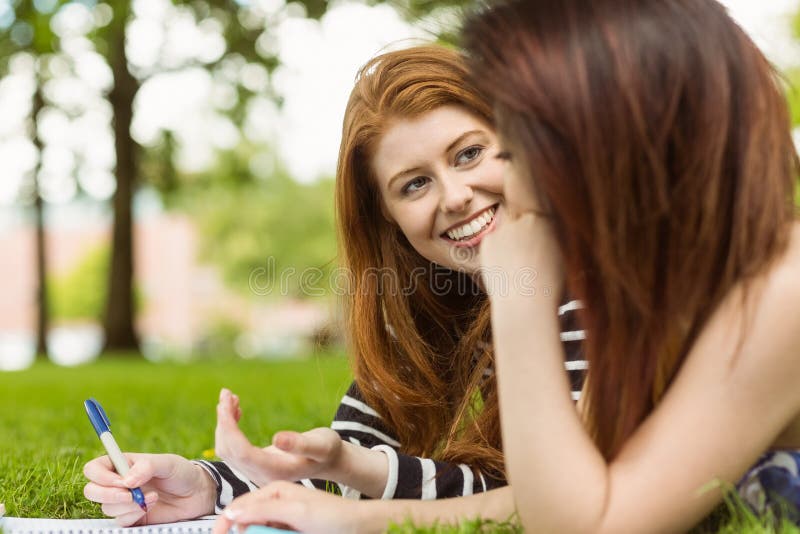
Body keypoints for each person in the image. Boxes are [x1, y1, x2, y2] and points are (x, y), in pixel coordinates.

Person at [213, 1, 800, 532]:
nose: (490, 187)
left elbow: (583, 524)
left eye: (512, 149)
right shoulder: (660, 295)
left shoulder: (779, 285)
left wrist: (520, 298)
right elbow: (563, 498)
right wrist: (226, 487)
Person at [82, 45, 586, 526]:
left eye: (469, 153)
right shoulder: (440, 300)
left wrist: (357, 481)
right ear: (388, 220)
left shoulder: (591, 288)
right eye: (414, 184)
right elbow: (344, 473)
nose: (455, 196)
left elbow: (559, 500)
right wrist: (207, 486)